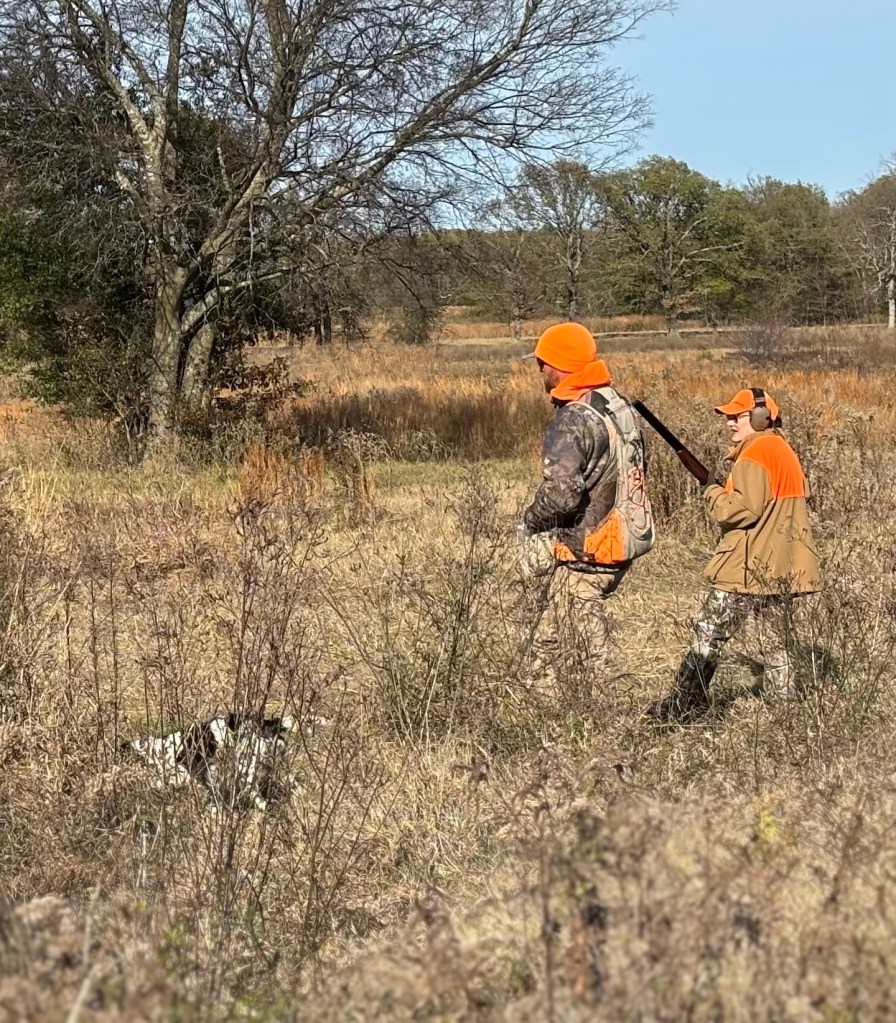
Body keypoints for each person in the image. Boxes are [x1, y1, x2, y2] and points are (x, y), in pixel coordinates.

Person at [655, 387, 822, 722]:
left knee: (708, 634)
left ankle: (684, 707)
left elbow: (741, 510)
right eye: (728, 416)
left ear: (762, 418)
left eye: (738, 416)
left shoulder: (755, 453)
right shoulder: (782, 450)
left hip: (748, 566)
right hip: (781, 565)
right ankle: (784, 711)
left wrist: (713, 492)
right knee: (777, 642)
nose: (730, 423)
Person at [518, 322, 654, 694]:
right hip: (625, 532)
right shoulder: (615, 404)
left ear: (559, 366)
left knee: (572, 632)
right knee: (563, 628)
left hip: (590, 544)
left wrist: (529, 522)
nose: (540, 371)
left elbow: (562, 496)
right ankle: (556, 702)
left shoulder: (574, 419)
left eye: (542, 363)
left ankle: (601, 708)